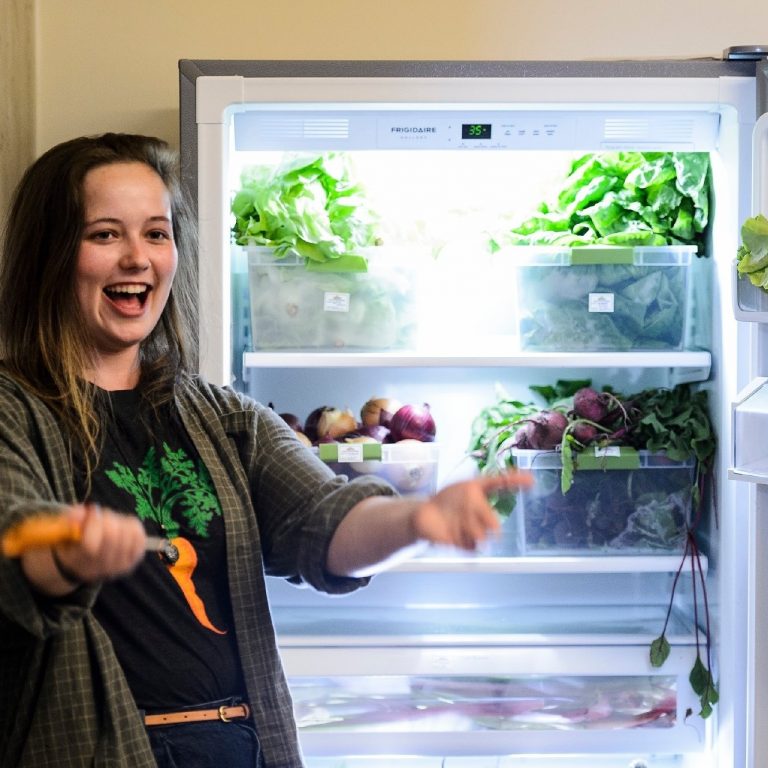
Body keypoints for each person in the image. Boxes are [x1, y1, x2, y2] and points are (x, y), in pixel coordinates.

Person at [0, 133, 528, 768]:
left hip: (240, 743)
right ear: (50, 255)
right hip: (101, 749)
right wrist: (63, 550)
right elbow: (12, 537)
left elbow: (325, 520)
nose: (137, 258)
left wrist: (415, 520)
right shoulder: (13, 406)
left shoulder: (220, 418)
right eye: (105, 234)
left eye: (157, 234)